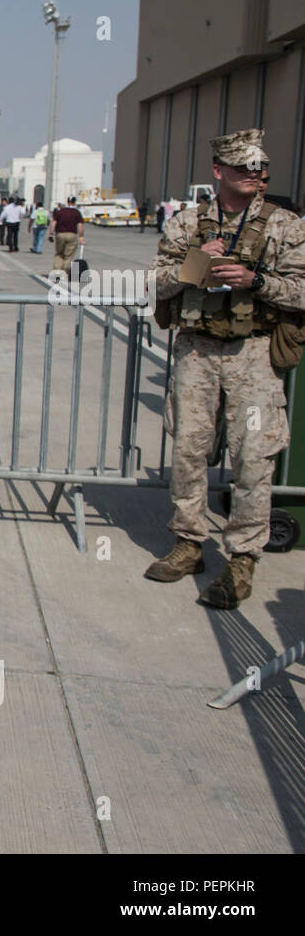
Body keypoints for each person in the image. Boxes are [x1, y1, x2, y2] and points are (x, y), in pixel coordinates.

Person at [146, 129, 305, 608]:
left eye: (260, 169)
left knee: (254, 457)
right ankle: (188, 543)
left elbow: (301, 289)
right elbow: (156, 281)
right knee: (189, 449)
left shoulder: (287, 225)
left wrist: (256, 281)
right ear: (220, 172)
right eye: (244, 169)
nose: (255, 176)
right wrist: (196, 265)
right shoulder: (187, 224)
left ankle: (243, 557)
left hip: (254, 354)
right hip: (196, 349)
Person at [51, 196, 84, 275]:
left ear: (67, 201)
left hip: (60, 234)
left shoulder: (61, 211)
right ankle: (65, 271)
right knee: (68, 255)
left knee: (59, 253)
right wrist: (81, 237)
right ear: (74, 202)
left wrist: (51, 233)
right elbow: (80, 226)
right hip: (72, 234)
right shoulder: (77, 212)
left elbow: (54, 223)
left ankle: (57, 271)